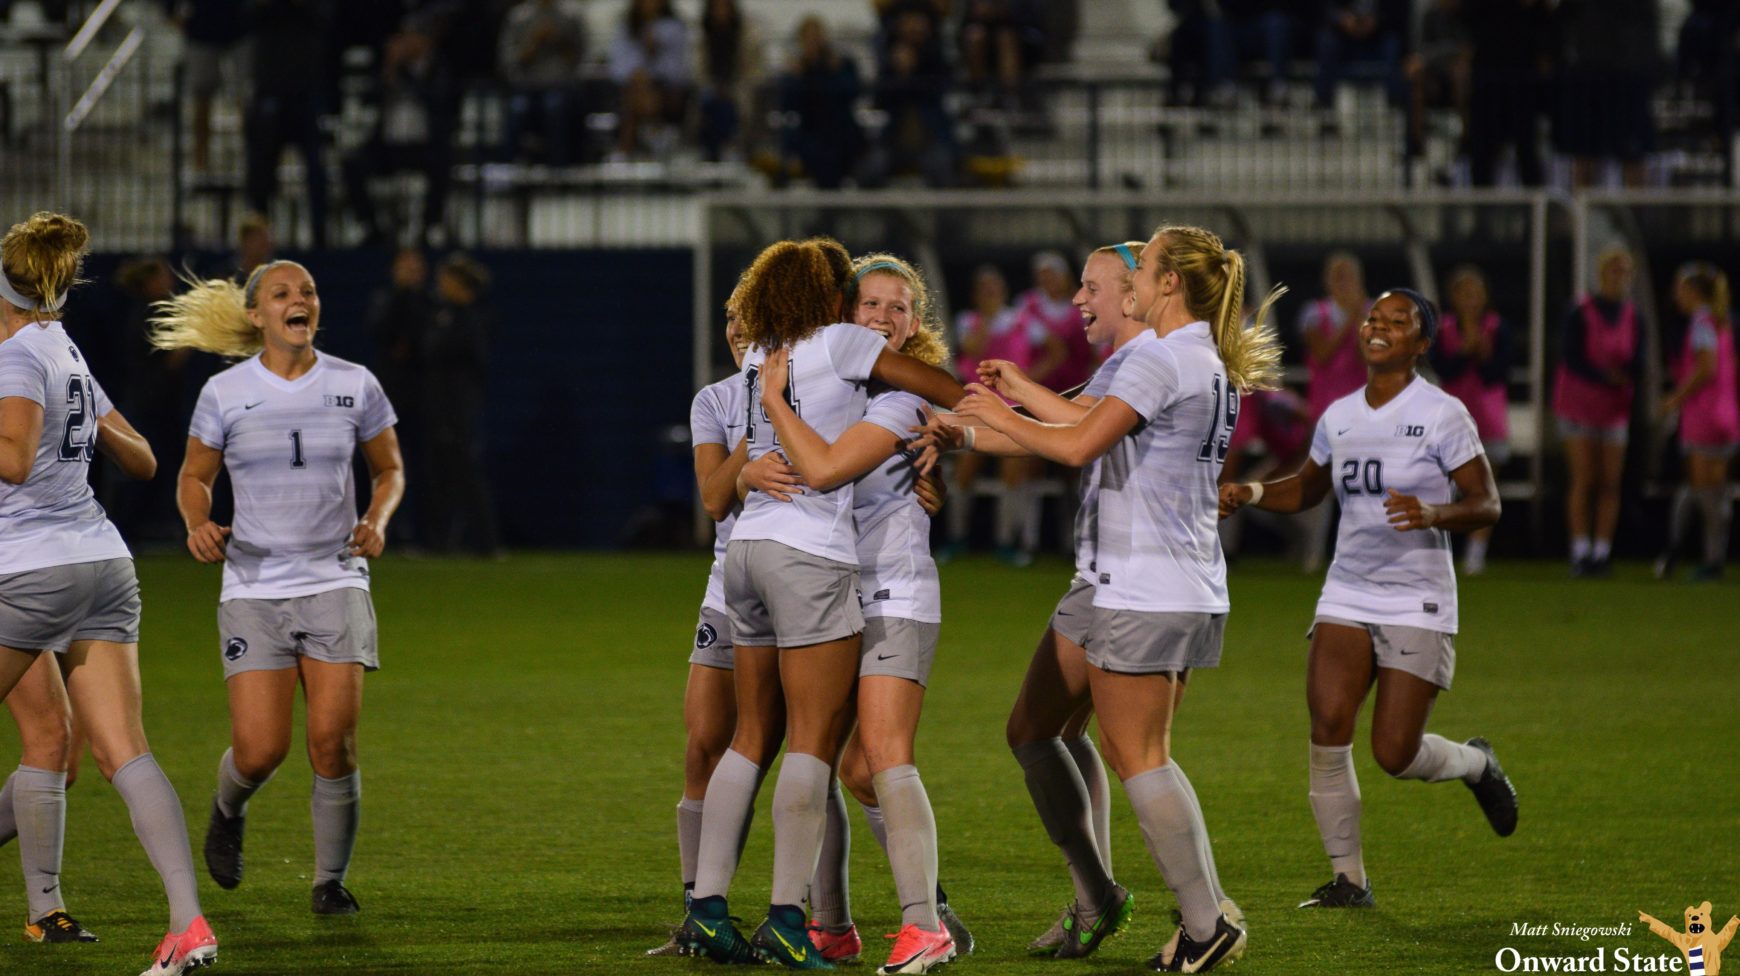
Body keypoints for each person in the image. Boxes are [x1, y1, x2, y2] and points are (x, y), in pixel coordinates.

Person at [950, 225, 1285, 972]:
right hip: (1141, 578)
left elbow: (1073, 445)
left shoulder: (1166, 357)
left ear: (1166, 283)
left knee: (1140, 756)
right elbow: (1084, 423)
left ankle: (1207, 922)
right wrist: (978, 427)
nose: (1124, 285)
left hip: (1147, 583)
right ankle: (1107, 896)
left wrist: (995, 415)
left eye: (1144, 269)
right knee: (1037, 728)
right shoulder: (1196, 358)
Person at [676, 237, 966, 969]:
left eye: (898, 307)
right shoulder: (841, 350)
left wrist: (943, 449)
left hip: (745, 560)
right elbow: (838, 462)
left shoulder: (757, 358)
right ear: (839, 302)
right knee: (815, 743)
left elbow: (739, 473)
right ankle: (791, 916)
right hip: (814, 563)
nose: (877, 315)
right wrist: (955, 416)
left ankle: (711, 908)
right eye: (866, 300)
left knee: (758, 738)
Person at [1219, 287, 1518, 911]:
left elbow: (1487, 502)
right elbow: (1308, 487)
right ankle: (1349, 880)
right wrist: (1250, 491)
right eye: (1373, 319)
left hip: (1418, 599)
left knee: (1394, 753)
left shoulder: (1442, 413)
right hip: (1347, 592)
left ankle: (1474, 764)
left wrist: (1434, 511)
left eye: (1397, 322)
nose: (1378, 328)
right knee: (1328, 727)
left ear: (1421, 342)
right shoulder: (1339, 414)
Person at [150, 258, 404, 916]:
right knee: (262, 749)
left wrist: (376, 520)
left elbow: (390, 468)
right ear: (258, 314)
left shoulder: (355, 384)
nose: (300, 300)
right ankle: (228, 807)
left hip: (334, 578)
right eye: (282, 293)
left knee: (333, 740)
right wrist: (197, 522)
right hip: (253, 587)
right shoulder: (226, 392)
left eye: (309, 291)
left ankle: (328, 883)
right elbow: (193, 476)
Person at [0, 212, 217, 973]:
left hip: (28, 572)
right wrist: (86, 426)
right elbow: (146, 459)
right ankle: (186, 924)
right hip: (104, 565)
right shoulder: (64, 350)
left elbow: (15, 460)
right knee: (115, 750)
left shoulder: (18, 357)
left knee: (61, 744)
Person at [646, 302, 754, 958]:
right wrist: (768, 422)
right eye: (732, 320)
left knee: (820, 759)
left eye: (755, 319)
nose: (740, 330)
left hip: (803, 591)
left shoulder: (826, 389)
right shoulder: (714, 400)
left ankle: (817, 914)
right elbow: (715, 497)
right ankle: (699, 910)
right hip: (729, 591)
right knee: (703, 744)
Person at [944, 264, 1052, 561]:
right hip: (977, 406)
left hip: (1013, 407)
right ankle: (957, 539)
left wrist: (1028, 381)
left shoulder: (1022, 320)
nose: (990, 293)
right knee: (965, 471)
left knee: (1012, 473)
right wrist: (987, 320)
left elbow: (1057, 352)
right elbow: (973, 350)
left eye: (994, 288)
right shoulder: (969, 320)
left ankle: (1006, 541)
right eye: (984, 289)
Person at [1552, 248, 1644, 578]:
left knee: (1610, 482)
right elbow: (1571, 356)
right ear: (1602, 273)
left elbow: (1639, 358)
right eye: (1614, 270)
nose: (1620, 277)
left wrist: (1626, 375)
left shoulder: (1633, 315)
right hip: (1579, 405)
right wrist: (1606, 376)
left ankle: (1601, 551)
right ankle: (1579, 549)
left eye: (1625, 271)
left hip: (1614, 408)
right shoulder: (1581, 310)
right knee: (1584, 478)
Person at [1656, 263, 1738, 581]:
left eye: (1680, 289)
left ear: (1692, 292)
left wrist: (1676, 397)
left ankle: (1709, 558)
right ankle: (1681, 551)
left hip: (1705, 414)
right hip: (1726, 413)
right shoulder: (1723, 322)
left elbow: (1706, 368)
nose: (1676, 296)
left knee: (1706, 490)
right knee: (1709, 488)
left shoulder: (1702, 323)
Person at [1429, 264, 1512, 575]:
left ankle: (1476, 554)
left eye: (1475, 294)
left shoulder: (1496, 328)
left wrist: (1483, 354)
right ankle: (1439, 553)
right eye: (1464, 294)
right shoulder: (1444, 329)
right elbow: (1444, 370)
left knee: (1483, 491)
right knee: (1443, 488)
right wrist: (1466, 351)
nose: (1470, 300)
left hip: (1488, 419)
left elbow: (1498, 374)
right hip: (1452, 420)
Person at [1299, 252, 1373, 569]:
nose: (1343, 281)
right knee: (1324, 482)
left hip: (1364, 410)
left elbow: (1366, 358)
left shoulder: (1372, 314)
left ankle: (1360, 554)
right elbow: (1324, 354)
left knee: (1362, 482)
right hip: (1327, 411)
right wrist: (1352, 320)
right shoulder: (1314, 314)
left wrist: (1358, 318)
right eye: (1337, 275)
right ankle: (1314, 551)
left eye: (1348, 275)